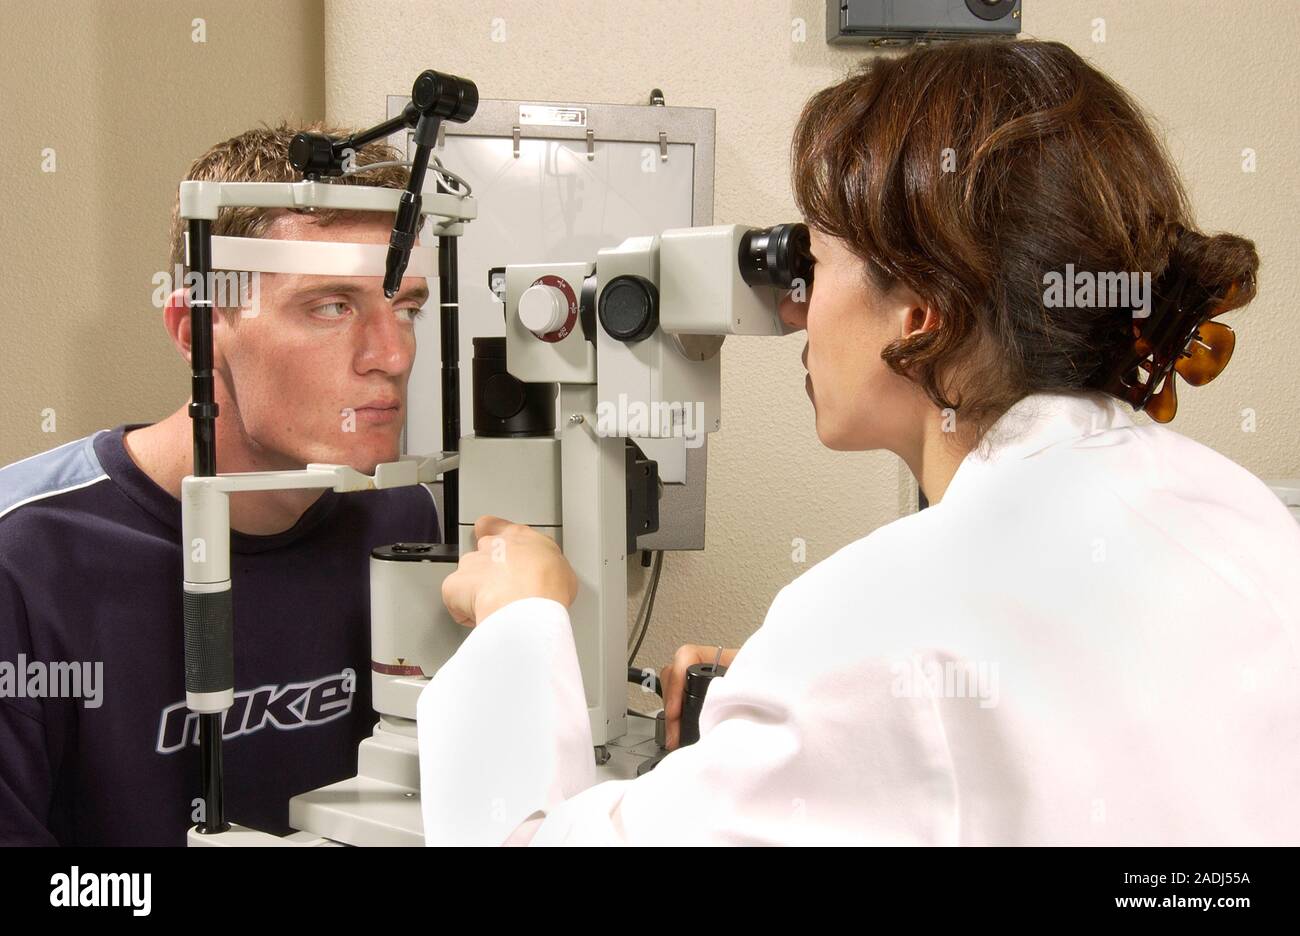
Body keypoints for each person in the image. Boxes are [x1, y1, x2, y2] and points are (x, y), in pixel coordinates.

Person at [416, 39, 1300, 845]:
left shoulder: (881, 620)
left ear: (921, 315)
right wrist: (797, 708)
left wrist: (519, 623)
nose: (795, 307)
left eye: (816, 262)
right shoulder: (1240, 511)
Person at [0, 124, 440, 845]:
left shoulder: (400, 517)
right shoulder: (28, 558)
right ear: (195, 331)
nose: (391, 355)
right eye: (332, 306)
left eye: (407, 308)